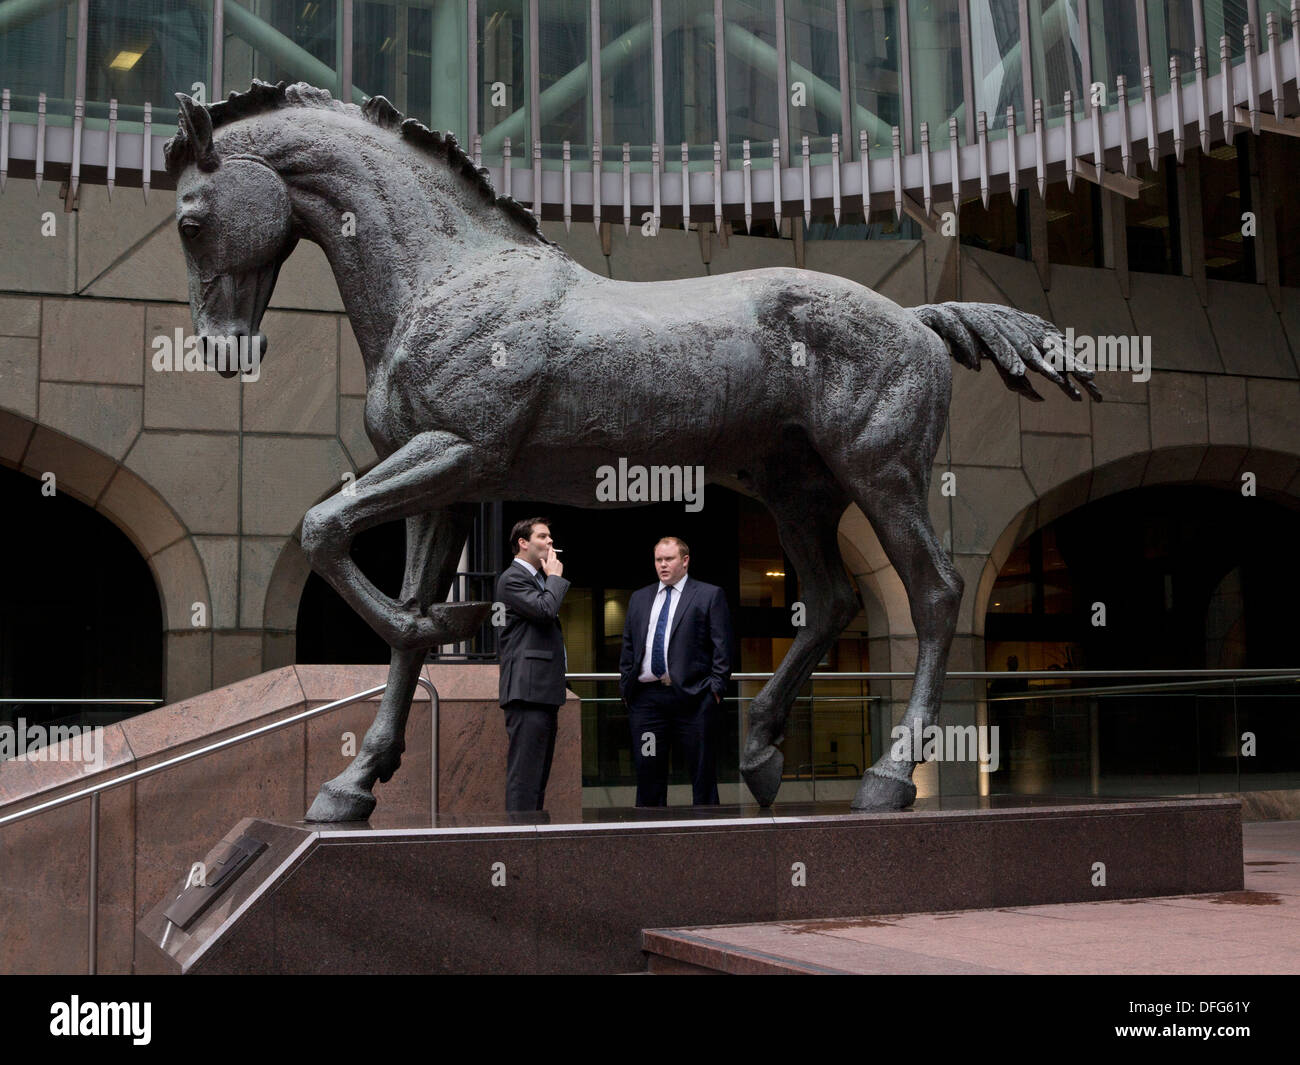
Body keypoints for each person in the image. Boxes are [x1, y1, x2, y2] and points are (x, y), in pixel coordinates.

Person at [619, 536, 733, 807]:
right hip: (647, 702)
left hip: (694, 699)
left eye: (668, 559)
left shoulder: (708, 594)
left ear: (685, 561)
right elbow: (628, 647)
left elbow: (723, 648)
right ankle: (649, 839)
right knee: (648, 773)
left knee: (702, 774)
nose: (662, 565)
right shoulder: (639, 598)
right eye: (658, 559)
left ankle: (708, 839)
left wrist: (715, 691)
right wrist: (627, 688)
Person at [496, 517, 570, 812]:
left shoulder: (536, 579)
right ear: (523, 543)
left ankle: (533, 839)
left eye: (551, 537)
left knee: (537, 775)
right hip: (526, 692)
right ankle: (519, 841)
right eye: (543, 536)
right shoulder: (513, 578)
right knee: (524, 776)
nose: (550, 542)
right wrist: (554, 577)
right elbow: (545, 610)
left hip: (542, 692)